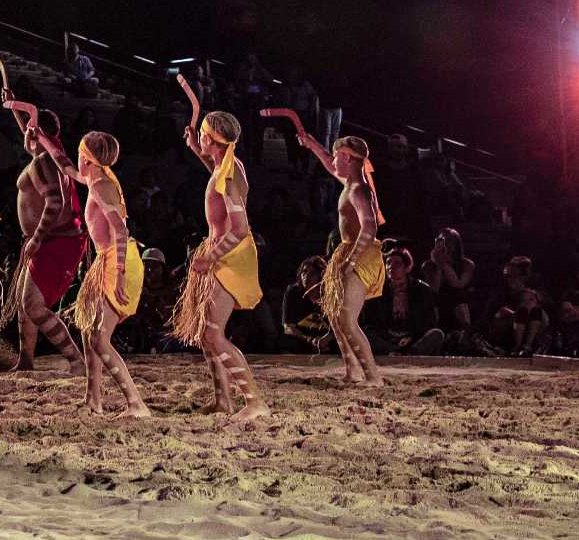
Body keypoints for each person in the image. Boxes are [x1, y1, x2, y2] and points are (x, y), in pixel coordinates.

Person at [264, 109, 386, 392]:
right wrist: (312, 145)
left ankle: (373, 377)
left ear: (348, 158)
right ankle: (353, 371)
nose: (333, 161)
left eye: (336, 155)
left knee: (346, 318)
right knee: (334, 314)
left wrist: (350, 261)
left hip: (361, 254)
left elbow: (369, 229)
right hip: (349, 251)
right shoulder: (351, 182)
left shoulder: (359, 190)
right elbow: (331, 169)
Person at [171, 78, 265, 422]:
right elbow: (217, 174)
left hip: (229, 256)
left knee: (212, 331)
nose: (199, 137)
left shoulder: (229, 174)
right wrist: (198, 152)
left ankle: (254, 402)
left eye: (203, 136)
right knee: (205, 332)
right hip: (221, 252)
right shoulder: (228, 165)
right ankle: (223, 399)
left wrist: (209, 256)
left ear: (211, 137)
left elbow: (240, 230)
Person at [60, 130, 152, 416]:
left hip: (118, 262)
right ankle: (93, 398)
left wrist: (121, 272)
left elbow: (121, 230)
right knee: (89, 332)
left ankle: (136, 403)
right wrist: (42, 138)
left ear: (86, 156)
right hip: (108, 261)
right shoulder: (95, 177)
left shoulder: (100, 186)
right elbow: (65, 167)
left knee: (100, 338)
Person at [0, 101, 91, 378]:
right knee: (24, 303)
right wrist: (14, 107)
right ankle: (26, 359)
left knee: (34, 306)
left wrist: (37, 238)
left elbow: (54, 202)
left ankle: (76, 359)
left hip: (55, 242)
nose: (25, 134)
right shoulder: (49, 156)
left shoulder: (43, 163)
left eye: (30, 131)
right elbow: (31, 135)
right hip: (51, 241)